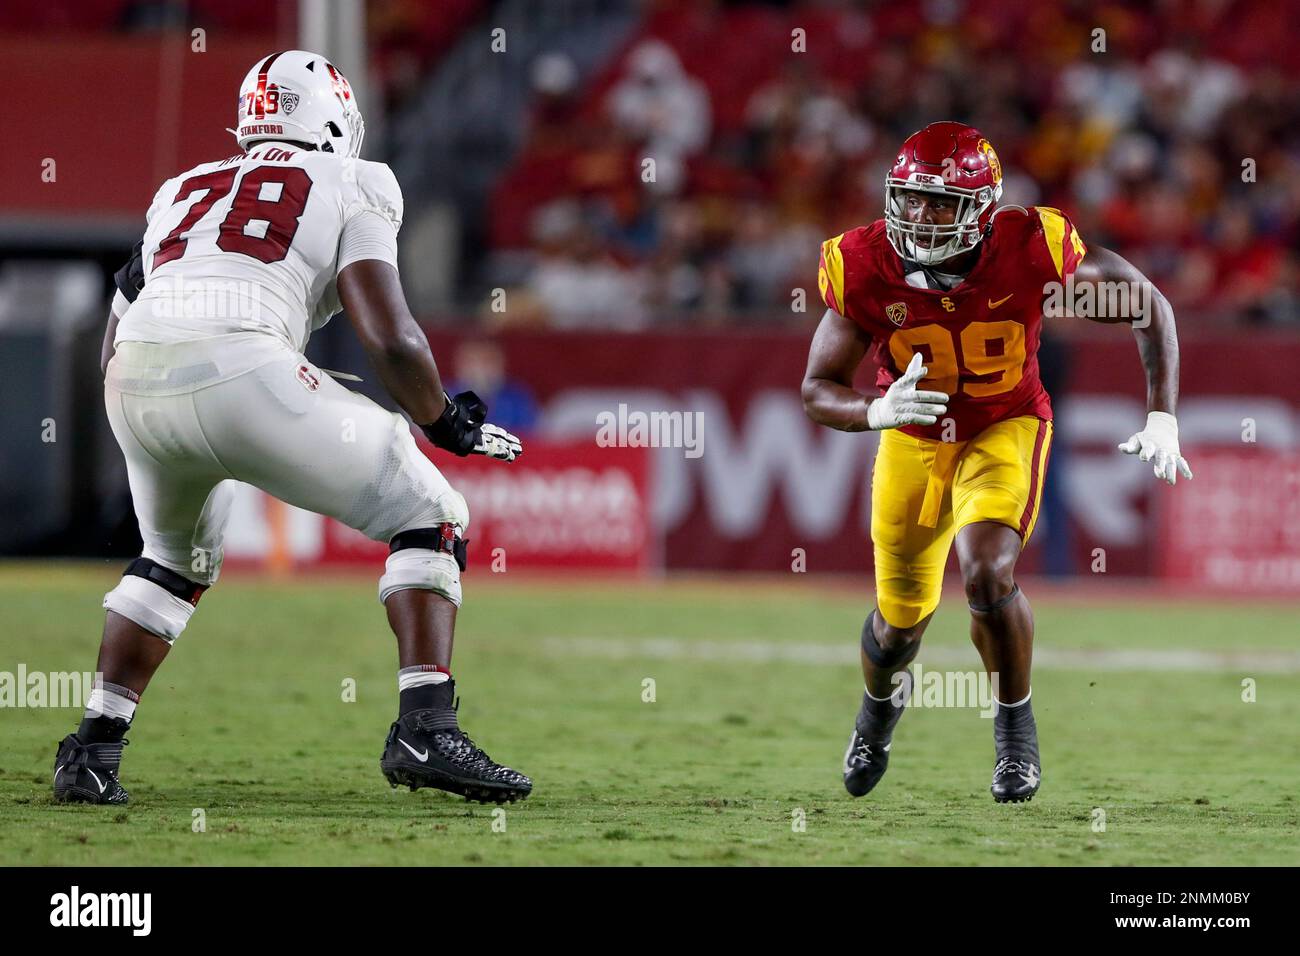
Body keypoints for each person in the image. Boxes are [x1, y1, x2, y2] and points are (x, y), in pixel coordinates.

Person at [53, 51, 531, 806]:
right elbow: (391, 336)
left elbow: (116, 336)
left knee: (172, 560)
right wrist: (443, 420)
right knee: (432, 513)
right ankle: (426, 729)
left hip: (134, 381)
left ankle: (91, 752)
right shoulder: (358, 180)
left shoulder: (181, 189)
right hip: (243, 368)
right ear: (336, 119)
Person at [801, 122, 1192, 803]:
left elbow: (1148, 306)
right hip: (914, 439)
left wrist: (1162, 415)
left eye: (940, 202)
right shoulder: (864, 264)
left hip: (1004, 425)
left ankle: (1015, 730)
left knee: (986, 570)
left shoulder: (1030, 249)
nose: (920, 215)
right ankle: (876, 715)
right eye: (911, 198)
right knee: (898, 621)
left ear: (982, 208)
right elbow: (816, 389)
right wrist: (874, 410)